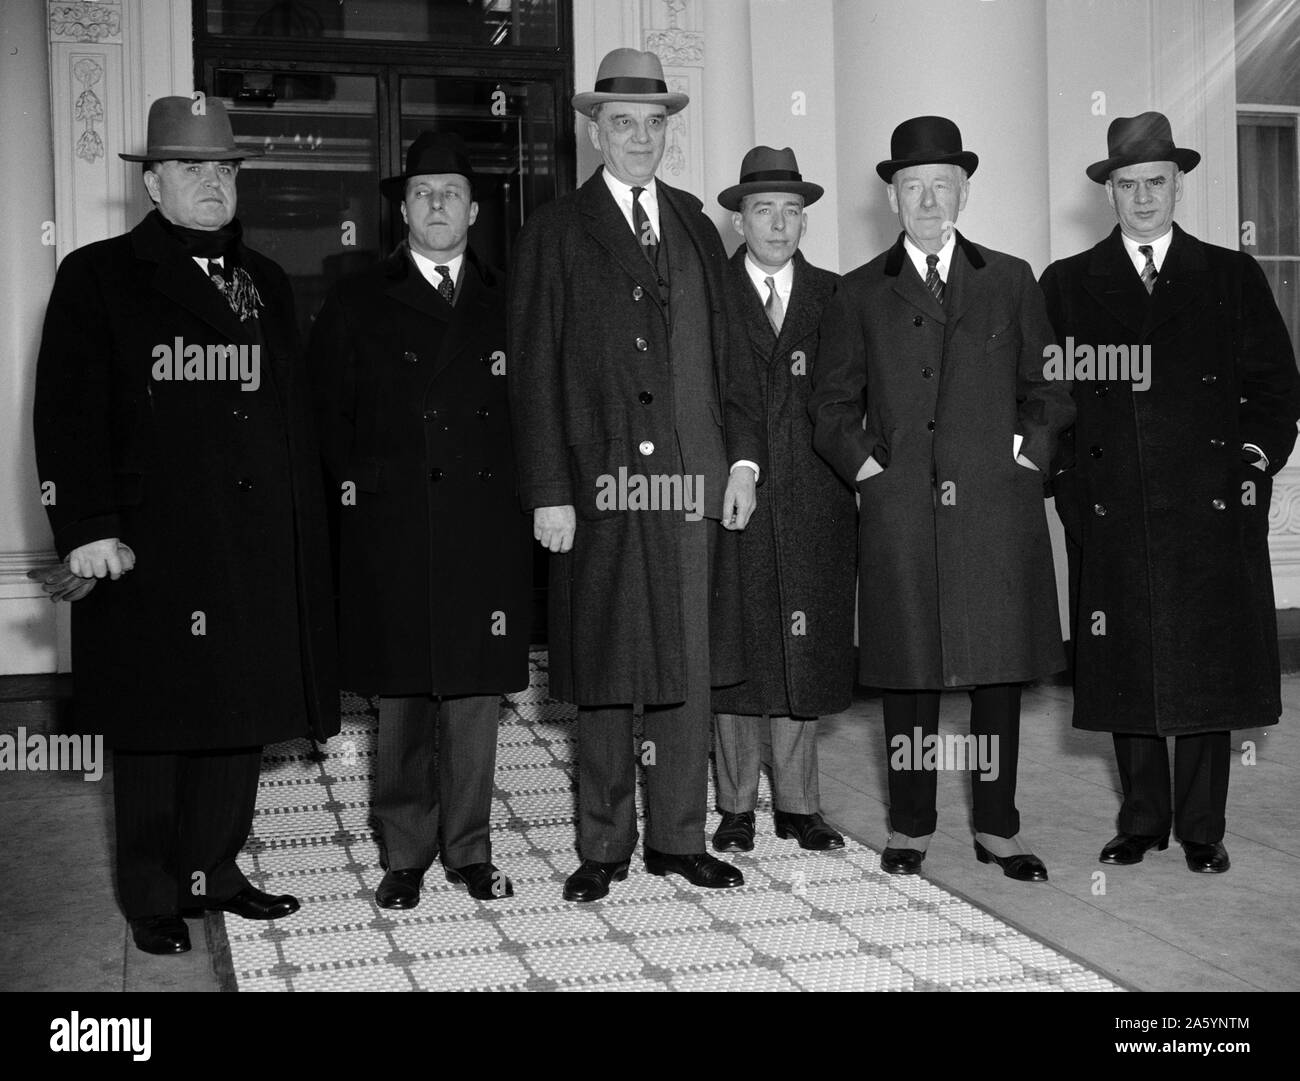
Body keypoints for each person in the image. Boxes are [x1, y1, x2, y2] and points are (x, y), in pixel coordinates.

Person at [32, 96, 339, 954]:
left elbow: (289, 419)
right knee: (158, 727)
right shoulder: (97, 276)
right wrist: (85, 523)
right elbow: (67, 413)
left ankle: (217, 868)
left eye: (226, 169)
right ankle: (154, 891)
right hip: (150, 546)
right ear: (155, 183)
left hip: (249, 547)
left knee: (237, 718)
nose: (214, 182)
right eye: (194, 168)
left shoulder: (268, 282)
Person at [508, 48, 764, 902]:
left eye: (655, 123)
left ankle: (680, 840)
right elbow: (534, 370)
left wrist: (740, 460)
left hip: (693, 485)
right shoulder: (553, 230)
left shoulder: (695, 220)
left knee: (688, 663)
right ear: (594, 130)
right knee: (610, 668)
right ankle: (606, 844)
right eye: (623, 123)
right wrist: (548, 489)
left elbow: (732, 359)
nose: (641, 138)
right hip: (601, 488)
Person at [810, 116, 1073, 881]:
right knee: (908, 676)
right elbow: (830, 406)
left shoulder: (1012, 279)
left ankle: (998, 827)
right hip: (900, 513)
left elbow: (1051, 385)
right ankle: (911, 824)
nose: (928, 200)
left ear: (963, 191)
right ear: (893, 198)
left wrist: (1027, 455)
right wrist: (870, 474)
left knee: (997, 675)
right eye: (912, 187)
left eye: (941, 186)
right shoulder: (859, 292)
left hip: (996, 507)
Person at [1040, 112, 1300, 874]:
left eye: (1156, 182)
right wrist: (1068, 486)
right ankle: (1141, 818)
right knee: (1128, 666)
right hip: (1113, 504)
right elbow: (1051, 397)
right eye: (1128, 184)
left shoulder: (1230, 276)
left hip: (1208, 507)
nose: (1143, 196)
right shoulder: (1069, 284)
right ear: (1109, 192)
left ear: (1179, 184)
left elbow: (1275, 387)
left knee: (1206, 671)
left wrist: (1248, 465)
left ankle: (1203, 828)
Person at [309, 132, 530, 908]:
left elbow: (532, 414)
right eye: (423, 192)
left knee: (473, 698)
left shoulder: (512, 297)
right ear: (403, 208)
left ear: (473, 208)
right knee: (402, 696)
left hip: (484, 527)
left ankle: (469, 848)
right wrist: (359, 503)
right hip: (393, 528)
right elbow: (326, 420)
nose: (438, 204)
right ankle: (404, 852)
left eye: (452, 192)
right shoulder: (356, 296)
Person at [710, 146, 854, 855]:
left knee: (803, 652)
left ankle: (800, 805)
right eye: (763, 209)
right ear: (738, 218)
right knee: (737, 651)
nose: (778, 223)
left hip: (814, 497)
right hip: (734, 497)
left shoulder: (835, 295)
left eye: (792, 211)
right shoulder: (707, 291)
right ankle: (734, 806)